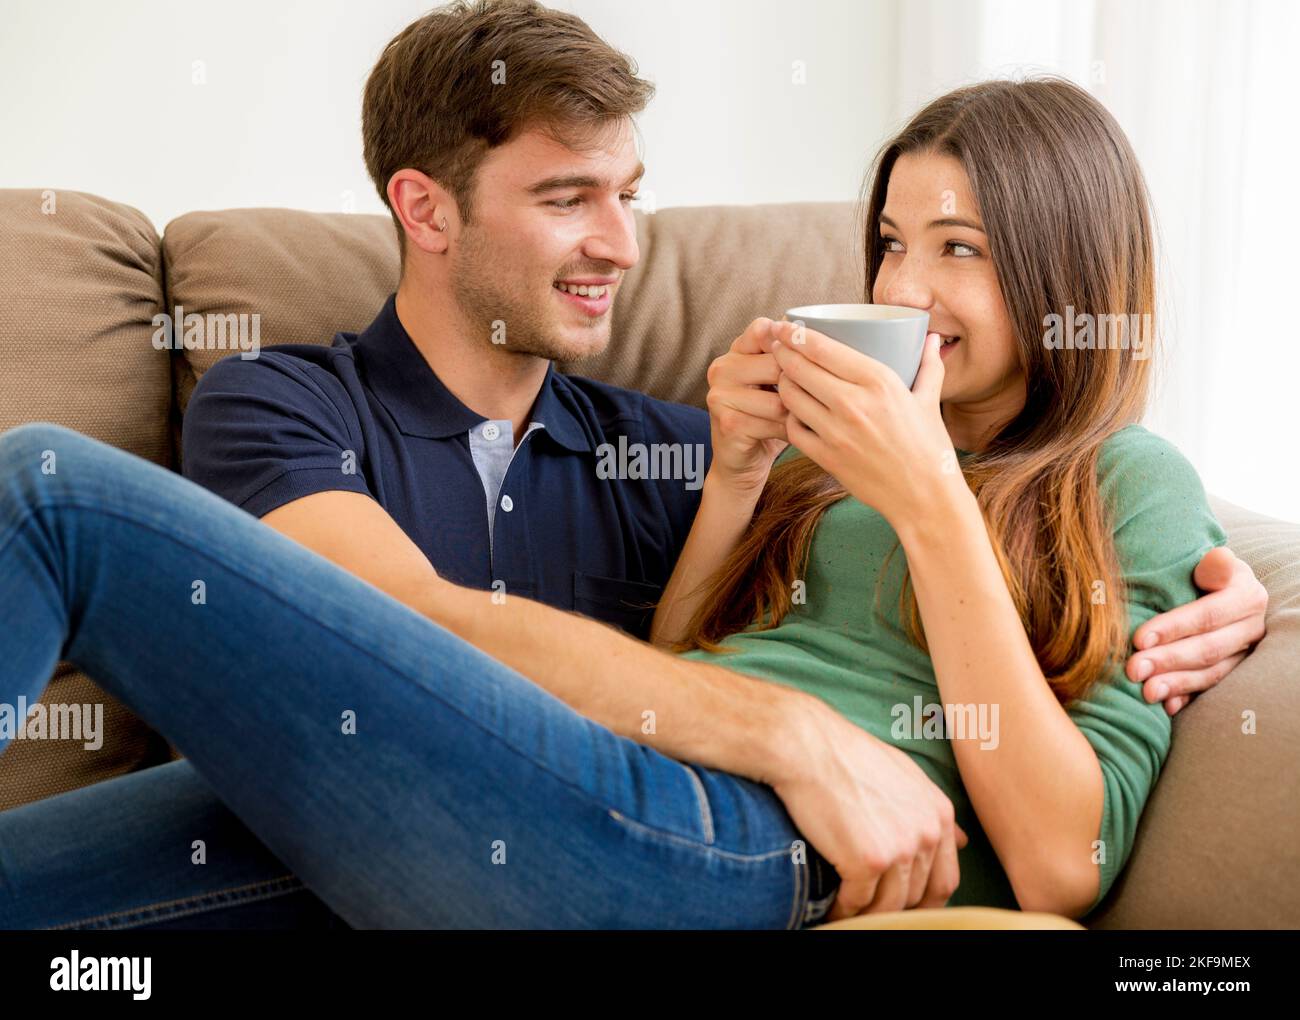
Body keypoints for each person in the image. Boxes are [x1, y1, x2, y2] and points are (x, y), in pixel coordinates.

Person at [0, 3, 1267, 929]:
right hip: (507, 817)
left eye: (957, 248)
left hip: (693, 838)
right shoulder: (286, 399)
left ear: (1061, 268)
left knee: (42, 489)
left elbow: (1062, 851)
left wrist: (1250, 591)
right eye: (889, 242)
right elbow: (478, 632)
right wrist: (779, 665)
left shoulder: (1082, 481)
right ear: (423, 208)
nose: (901, 288)